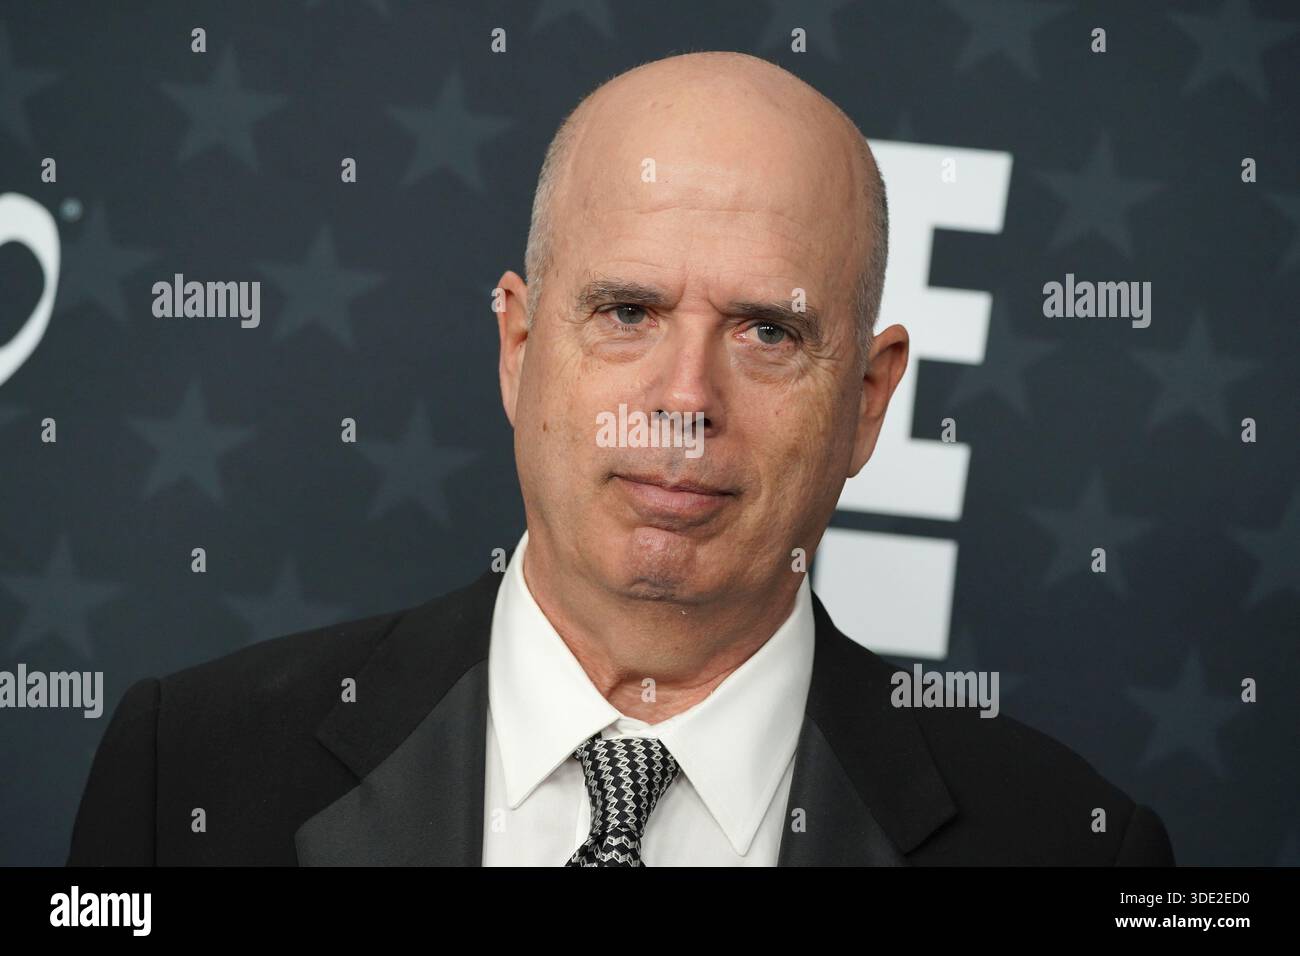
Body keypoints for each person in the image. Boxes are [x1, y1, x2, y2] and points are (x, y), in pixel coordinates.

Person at [67, 51, 1174, 866]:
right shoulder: (190, 777)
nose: (682, 404)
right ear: (517, 346)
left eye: (768, 333)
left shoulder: (1074, 848)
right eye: (629, 310)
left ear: (866, 402)